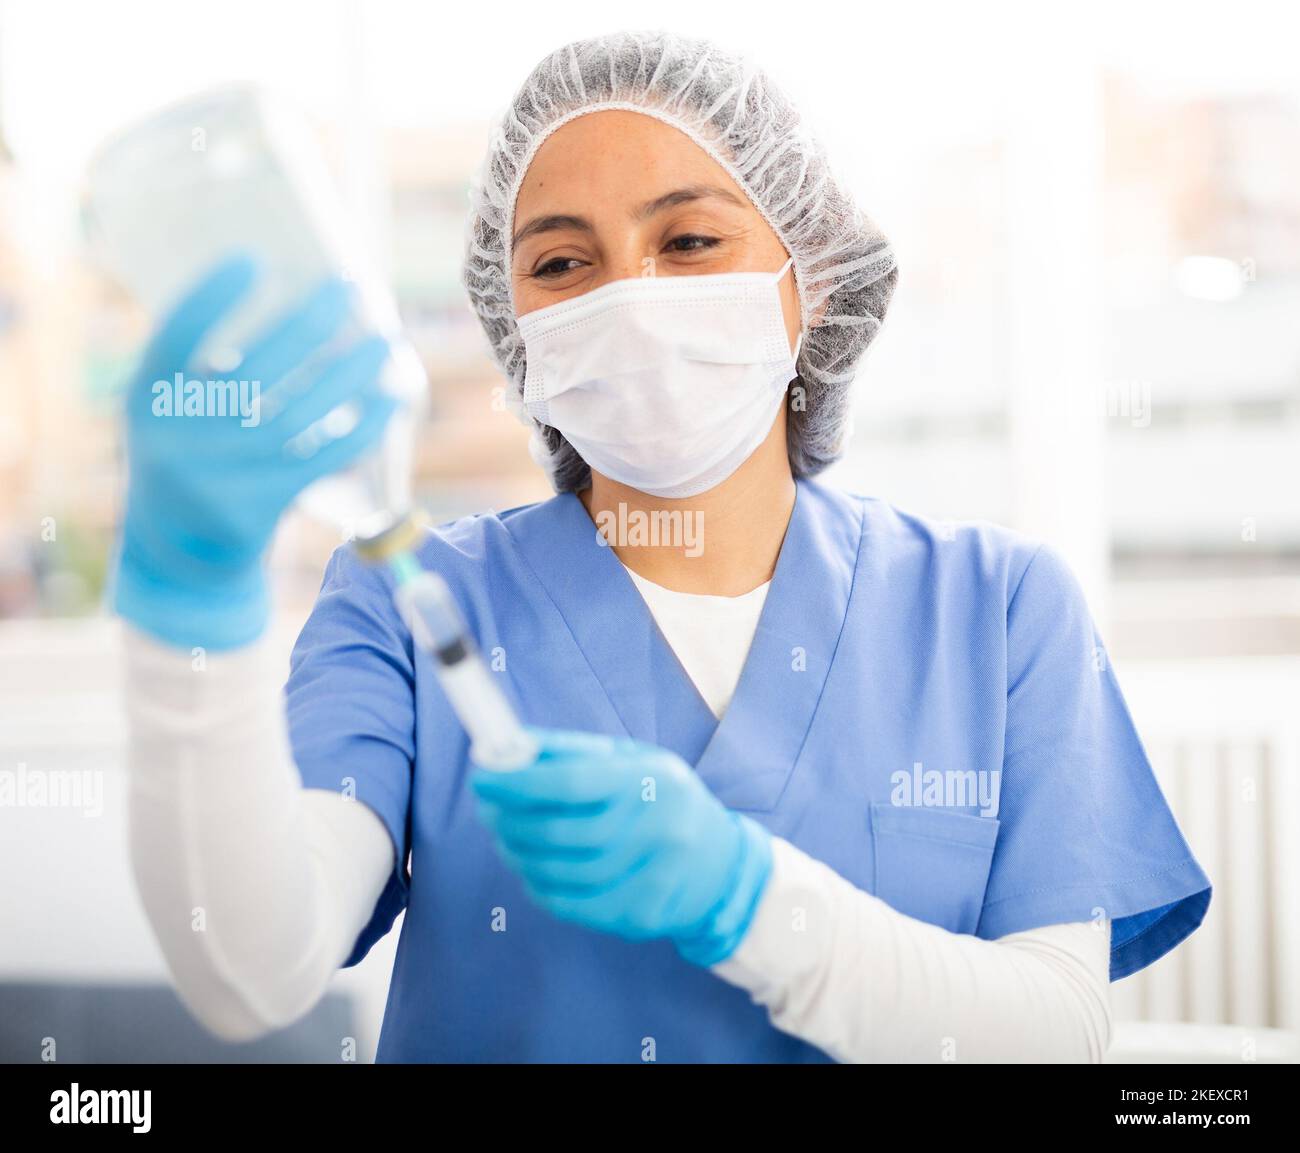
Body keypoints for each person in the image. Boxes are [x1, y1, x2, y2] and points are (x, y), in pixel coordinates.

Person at [118, 30, 1211, 1063]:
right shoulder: (405, 601)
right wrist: (190, 601)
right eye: (559, 262)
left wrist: (746, 898)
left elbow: (1056, 1036)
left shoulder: (997, 606)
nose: (629, 299)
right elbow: (249, 969)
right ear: (517, 333)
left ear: (811, 278)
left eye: (689, 241)